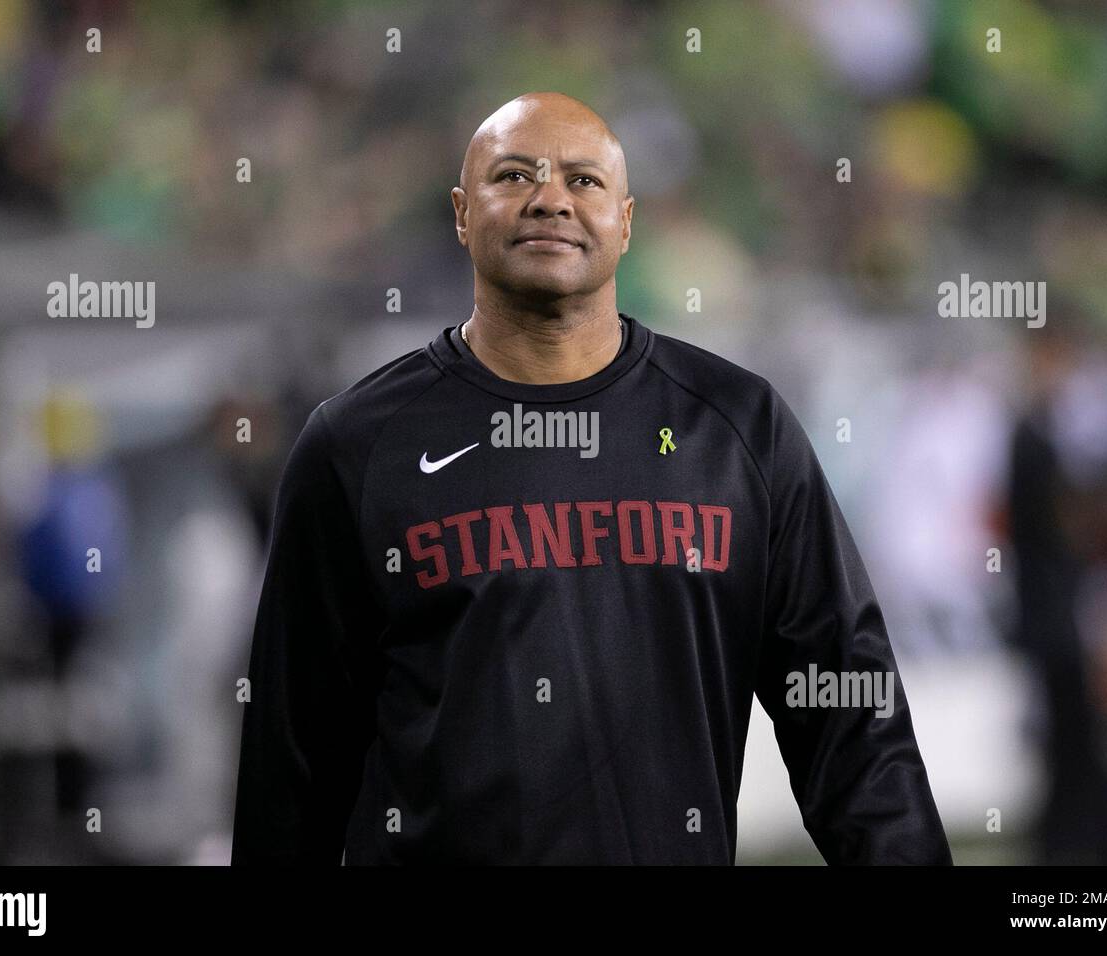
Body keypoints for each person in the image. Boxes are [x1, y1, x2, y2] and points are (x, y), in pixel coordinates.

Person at [231, 92, 951, 865]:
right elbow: (292, 762)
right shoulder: (357, 444)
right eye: (513, 176)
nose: (550, 200)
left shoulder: (740, 429)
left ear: (628, 221)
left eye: (583, 181)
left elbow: (848, 714)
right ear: (461, 214)